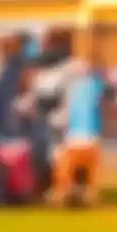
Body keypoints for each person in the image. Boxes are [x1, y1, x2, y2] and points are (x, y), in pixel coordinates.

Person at [49, 57, 104, 206]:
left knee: (68, 167)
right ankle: (76, 193)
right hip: (82, 135)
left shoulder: (85, 86)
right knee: (83, 169)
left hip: (81, 135)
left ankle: (67, 193)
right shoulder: (83, 86)